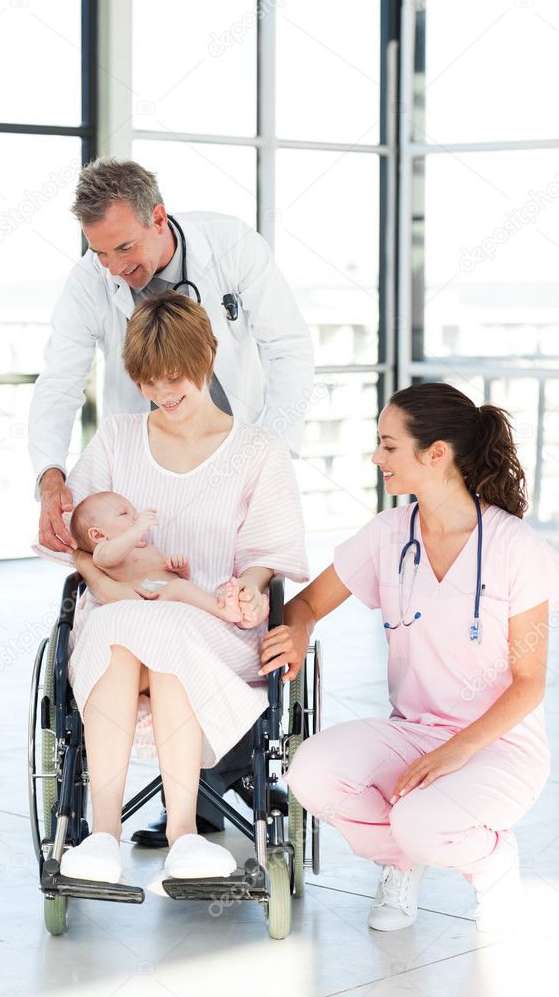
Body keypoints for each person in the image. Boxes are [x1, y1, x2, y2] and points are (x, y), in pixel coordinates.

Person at [29, 157, 312, 843]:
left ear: (158, 219)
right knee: (131, 630)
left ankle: (193, 814)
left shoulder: (230, 246)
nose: (113, 267)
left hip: (222, 535)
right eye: (100, 253)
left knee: (172, 625)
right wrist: (52, 476)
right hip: (134, 585)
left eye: (123, 248)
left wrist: (259, 455)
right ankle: (118, 835)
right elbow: (60, 380)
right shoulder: (120, 429)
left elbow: (290, 349)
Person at [260, 382, 559, 933]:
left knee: (419, 819)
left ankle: (491, 859)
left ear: (436, 453)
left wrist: (453, 752)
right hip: (413, 732)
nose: (378, 458)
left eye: (389, 445)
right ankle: (400, 863)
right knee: (312, 773)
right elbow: (307, 604)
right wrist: (297, 631)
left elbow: (529, 683)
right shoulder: (389, 534)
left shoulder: (517, 547)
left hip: (498, 746)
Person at [70, 490, 251, 624]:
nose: (136, 516)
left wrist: (180, 569)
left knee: (182, 586)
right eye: (124, 513)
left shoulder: (148, 548)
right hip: (144, 599)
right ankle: (223, 610)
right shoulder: (103, 551)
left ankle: (222, 605)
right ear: (98, 535)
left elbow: (178, 579)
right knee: (180, 588)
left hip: (164, 595)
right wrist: (136, 530)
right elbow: (109, 557)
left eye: (134, 512)